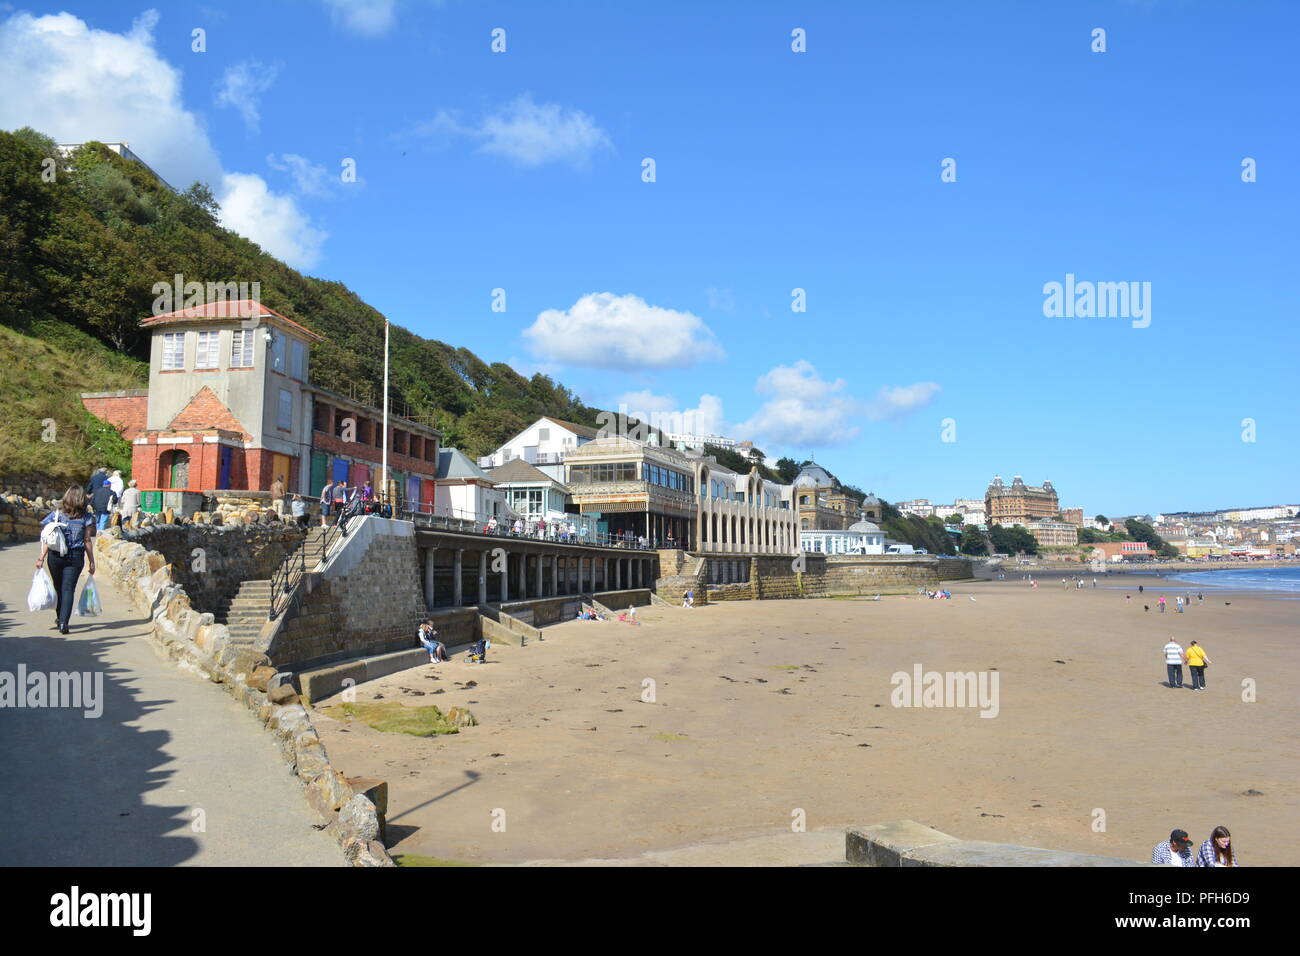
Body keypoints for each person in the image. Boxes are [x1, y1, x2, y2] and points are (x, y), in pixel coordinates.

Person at [36, 487, 98, 635]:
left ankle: (60, 617)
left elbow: (47, 538)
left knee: (59, 588)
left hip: (55, 556)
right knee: (68, 589)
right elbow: (87, 540)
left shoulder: (56, 515)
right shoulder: (87, 517)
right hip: (75, 557)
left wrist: (41, 558)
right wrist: (91, 561)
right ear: (82, 499)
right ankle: (64, 622)